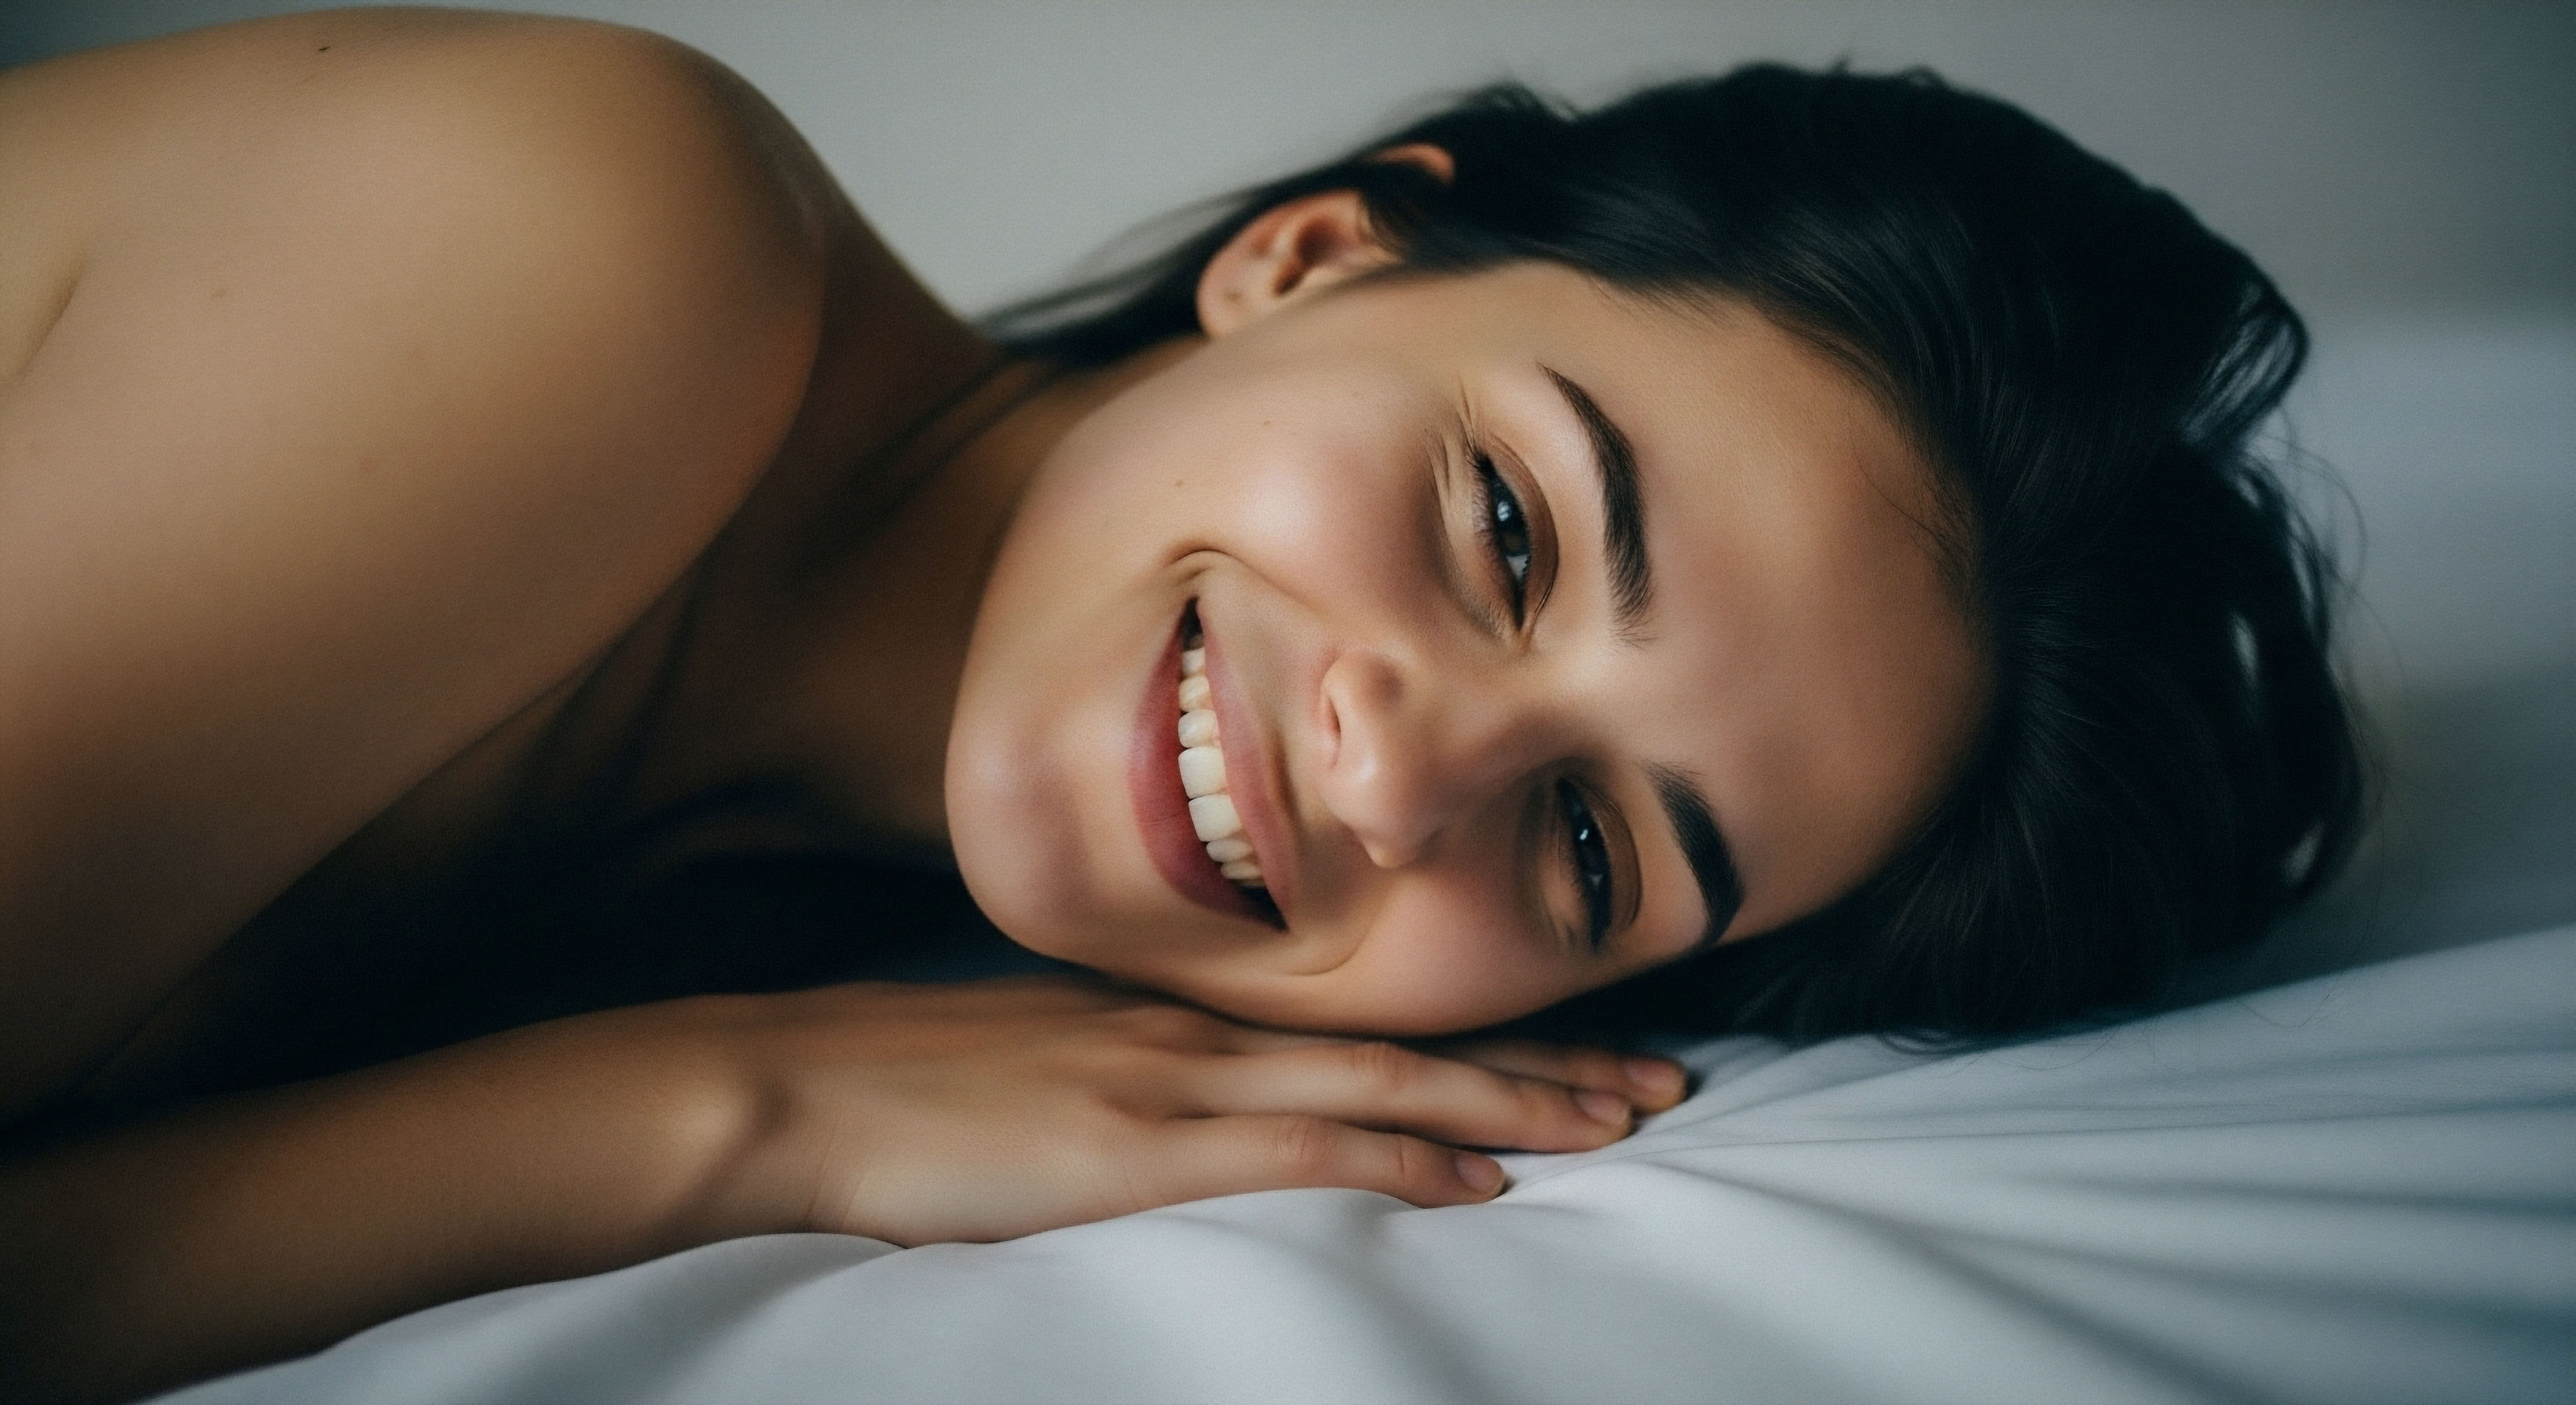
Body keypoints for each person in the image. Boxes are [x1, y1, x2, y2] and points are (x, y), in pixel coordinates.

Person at [0, 8, 2361, 1399]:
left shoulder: (836, 908)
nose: (1404, 771)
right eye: (1514, 529)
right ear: (1315, 256)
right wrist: (720, 1120)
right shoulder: (587, 242)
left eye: (1591, 849)